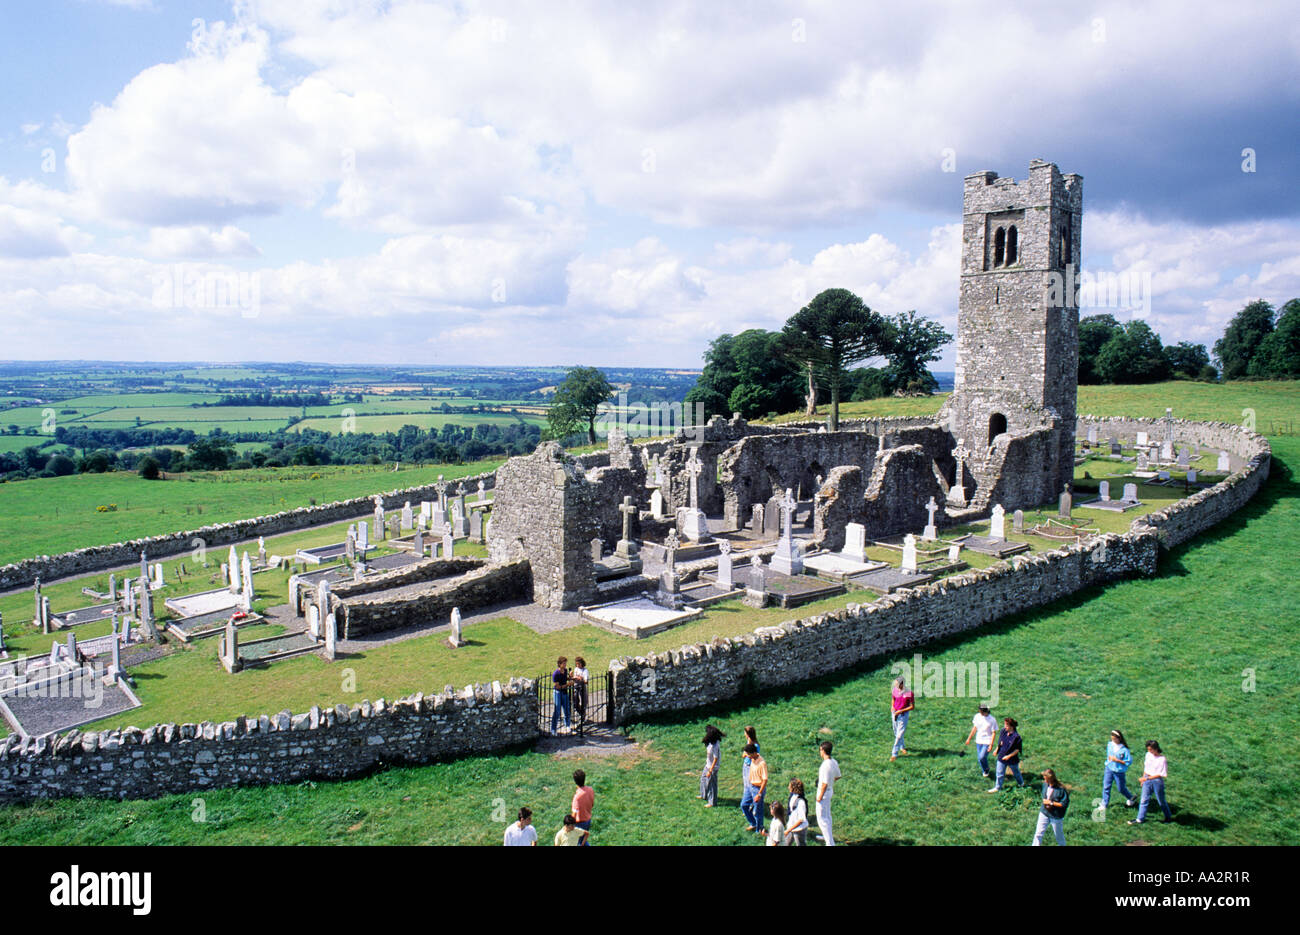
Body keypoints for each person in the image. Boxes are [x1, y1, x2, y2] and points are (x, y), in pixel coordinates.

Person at [1129, 740, 1173, 825]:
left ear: (1156, 749)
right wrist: (1144, 777)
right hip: (1147, 779)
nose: (1149, 751)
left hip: (1157, 781)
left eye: (1151, 750)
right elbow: (1146, 768)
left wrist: (1146, 779)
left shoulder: (1162, 759)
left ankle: (1168, 817)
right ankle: (1140, 819)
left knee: (1161, 800)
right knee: (1144, 799)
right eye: (1148, 749)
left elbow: (1161, 774)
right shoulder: (1148, 755)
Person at [1032, 768, 1069, 846]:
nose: (1044, 780)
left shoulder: (1061, 789)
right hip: (1044, 813)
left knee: (1059, 836)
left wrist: (1051, 803)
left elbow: (1064, 804)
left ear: (1050, 779)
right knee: (1038, 834)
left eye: (1046, 779)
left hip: (1055, 816)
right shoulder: (1045, 785)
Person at [1101, 729, 1136, 811]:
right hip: (1109, 769)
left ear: (1119, 738)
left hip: (1119, 772)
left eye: (1114, 739)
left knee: (1121, 788)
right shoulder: (1110, 745)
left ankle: (1131, 797)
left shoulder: (1124, 750)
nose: (1113, 740)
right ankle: (1104, 804)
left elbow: (1128, 762)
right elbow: (1108, 755)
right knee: (1106, 786)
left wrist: (1117, 760)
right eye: (1112, 738)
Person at [987, 717, 1025, 792]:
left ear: (1012, 727)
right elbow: (1000, 742)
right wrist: (996, 749)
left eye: (1006, 725)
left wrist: (1009, 756)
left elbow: (1017, 749)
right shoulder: (1003, 731)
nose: (1005, 727)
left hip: (1012, 759)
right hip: (1001, 756)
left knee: (1016, 773)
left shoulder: (1016, 737)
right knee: (999, 773)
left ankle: (1021, 784)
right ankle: (998, 787)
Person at [816, 740, 841, 846]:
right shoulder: (834, 762)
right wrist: (831, 781)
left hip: (824, 793)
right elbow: (838, 776)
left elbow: (824, 784)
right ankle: (827, 836)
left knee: (822, 819)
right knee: (827, 816)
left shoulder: (825, 766)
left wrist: (819, 797)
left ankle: (830, 843)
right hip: (829, 791)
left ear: (823, 750)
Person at [964, 703, 998, 778]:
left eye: (981, 712)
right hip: (979, 740)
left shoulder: (992, 720)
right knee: (980, 758)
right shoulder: (977, 716)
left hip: (987, 741)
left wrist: (991, 744)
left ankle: (986, 769)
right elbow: (975, 728)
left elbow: (993, 733)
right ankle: (985, 770)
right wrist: (969, 738)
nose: (980, 713)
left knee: (982, 757)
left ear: (985, 711)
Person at [742, 743, 768, 834]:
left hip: (758, 788)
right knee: (744, 805)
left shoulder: (762, 763)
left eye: (748, 754)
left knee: (758, 811)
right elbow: (744, 754)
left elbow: (765, 780)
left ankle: (759, 829)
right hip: (750, 786)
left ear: (753, 753)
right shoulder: (752, 758)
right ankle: (753, 823)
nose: (747, 756)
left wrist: (759, 794)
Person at [739, 726, 760, 829]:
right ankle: (747, 806)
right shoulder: (749, 742)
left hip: (750, 767)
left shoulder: (755, 745)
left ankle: (750, 806)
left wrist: (746, 754)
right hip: (746, 766)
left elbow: (744, 755)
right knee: (746, 785)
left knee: (749, 786)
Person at [890, 676, 914, 760]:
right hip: (894, 713)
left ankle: (894, 754)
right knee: (896, 731)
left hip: (903, 715)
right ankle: (902, 746)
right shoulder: (895, 690)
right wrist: (892, 707)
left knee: (899, 735)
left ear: (902, 684)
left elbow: (912, 706)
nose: (896, 686)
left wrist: (900, 711)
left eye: (897, 684)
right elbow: (893, 699)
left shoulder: (909, 693)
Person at [700, 725, 724, 807]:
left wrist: (710, 770)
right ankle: (704, 795)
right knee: (703, 779)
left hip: (713, 767)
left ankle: (712, 802)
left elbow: (715, 759)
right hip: (708, 764)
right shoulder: (710, 742)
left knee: (712, 784)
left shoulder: (715, 745)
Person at [571, 768, 595, 844]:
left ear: (575, 781)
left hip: (579, 823)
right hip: (588, 820)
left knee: (578, 842)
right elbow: (592, 803)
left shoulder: (577, 797)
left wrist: (569, 825)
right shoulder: (590, 790)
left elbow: (574, 814)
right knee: (583, 841)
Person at [550, 656, 572, 735]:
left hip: (565, 692)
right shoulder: (555, 674)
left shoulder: (565, 670)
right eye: (563, 663)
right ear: (559, 664)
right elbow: (558, 687)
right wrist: (568, 684)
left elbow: (565, 678)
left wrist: (570, 677)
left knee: (566, 709)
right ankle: (553, 729)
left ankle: (567, 725)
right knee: (557, 711)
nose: (565, 664)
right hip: (558, 693)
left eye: (565, 663)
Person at [784, 778, 809, 846]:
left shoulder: (801, 802)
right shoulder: (793, 796)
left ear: (794, 787)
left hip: (799, 829)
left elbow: (801, 820)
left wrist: (788, 830)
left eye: (789, 785)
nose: (788, 787)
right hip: (791, 827)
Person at [571, 656, 589, 727]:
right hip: (576, 686)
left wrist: (580, 679)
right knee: (575, 701)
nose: (578, 665)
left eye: (579, 664)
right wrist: (573, 676)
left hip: (582, 687)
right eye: (576, 664)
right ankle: (580, 713)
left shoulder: (585, 671)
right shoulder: (576, 669)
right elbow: (573, 678)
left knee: (584, 701)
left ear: (582, 663)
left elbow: (586, 681)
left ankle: (583, 715)